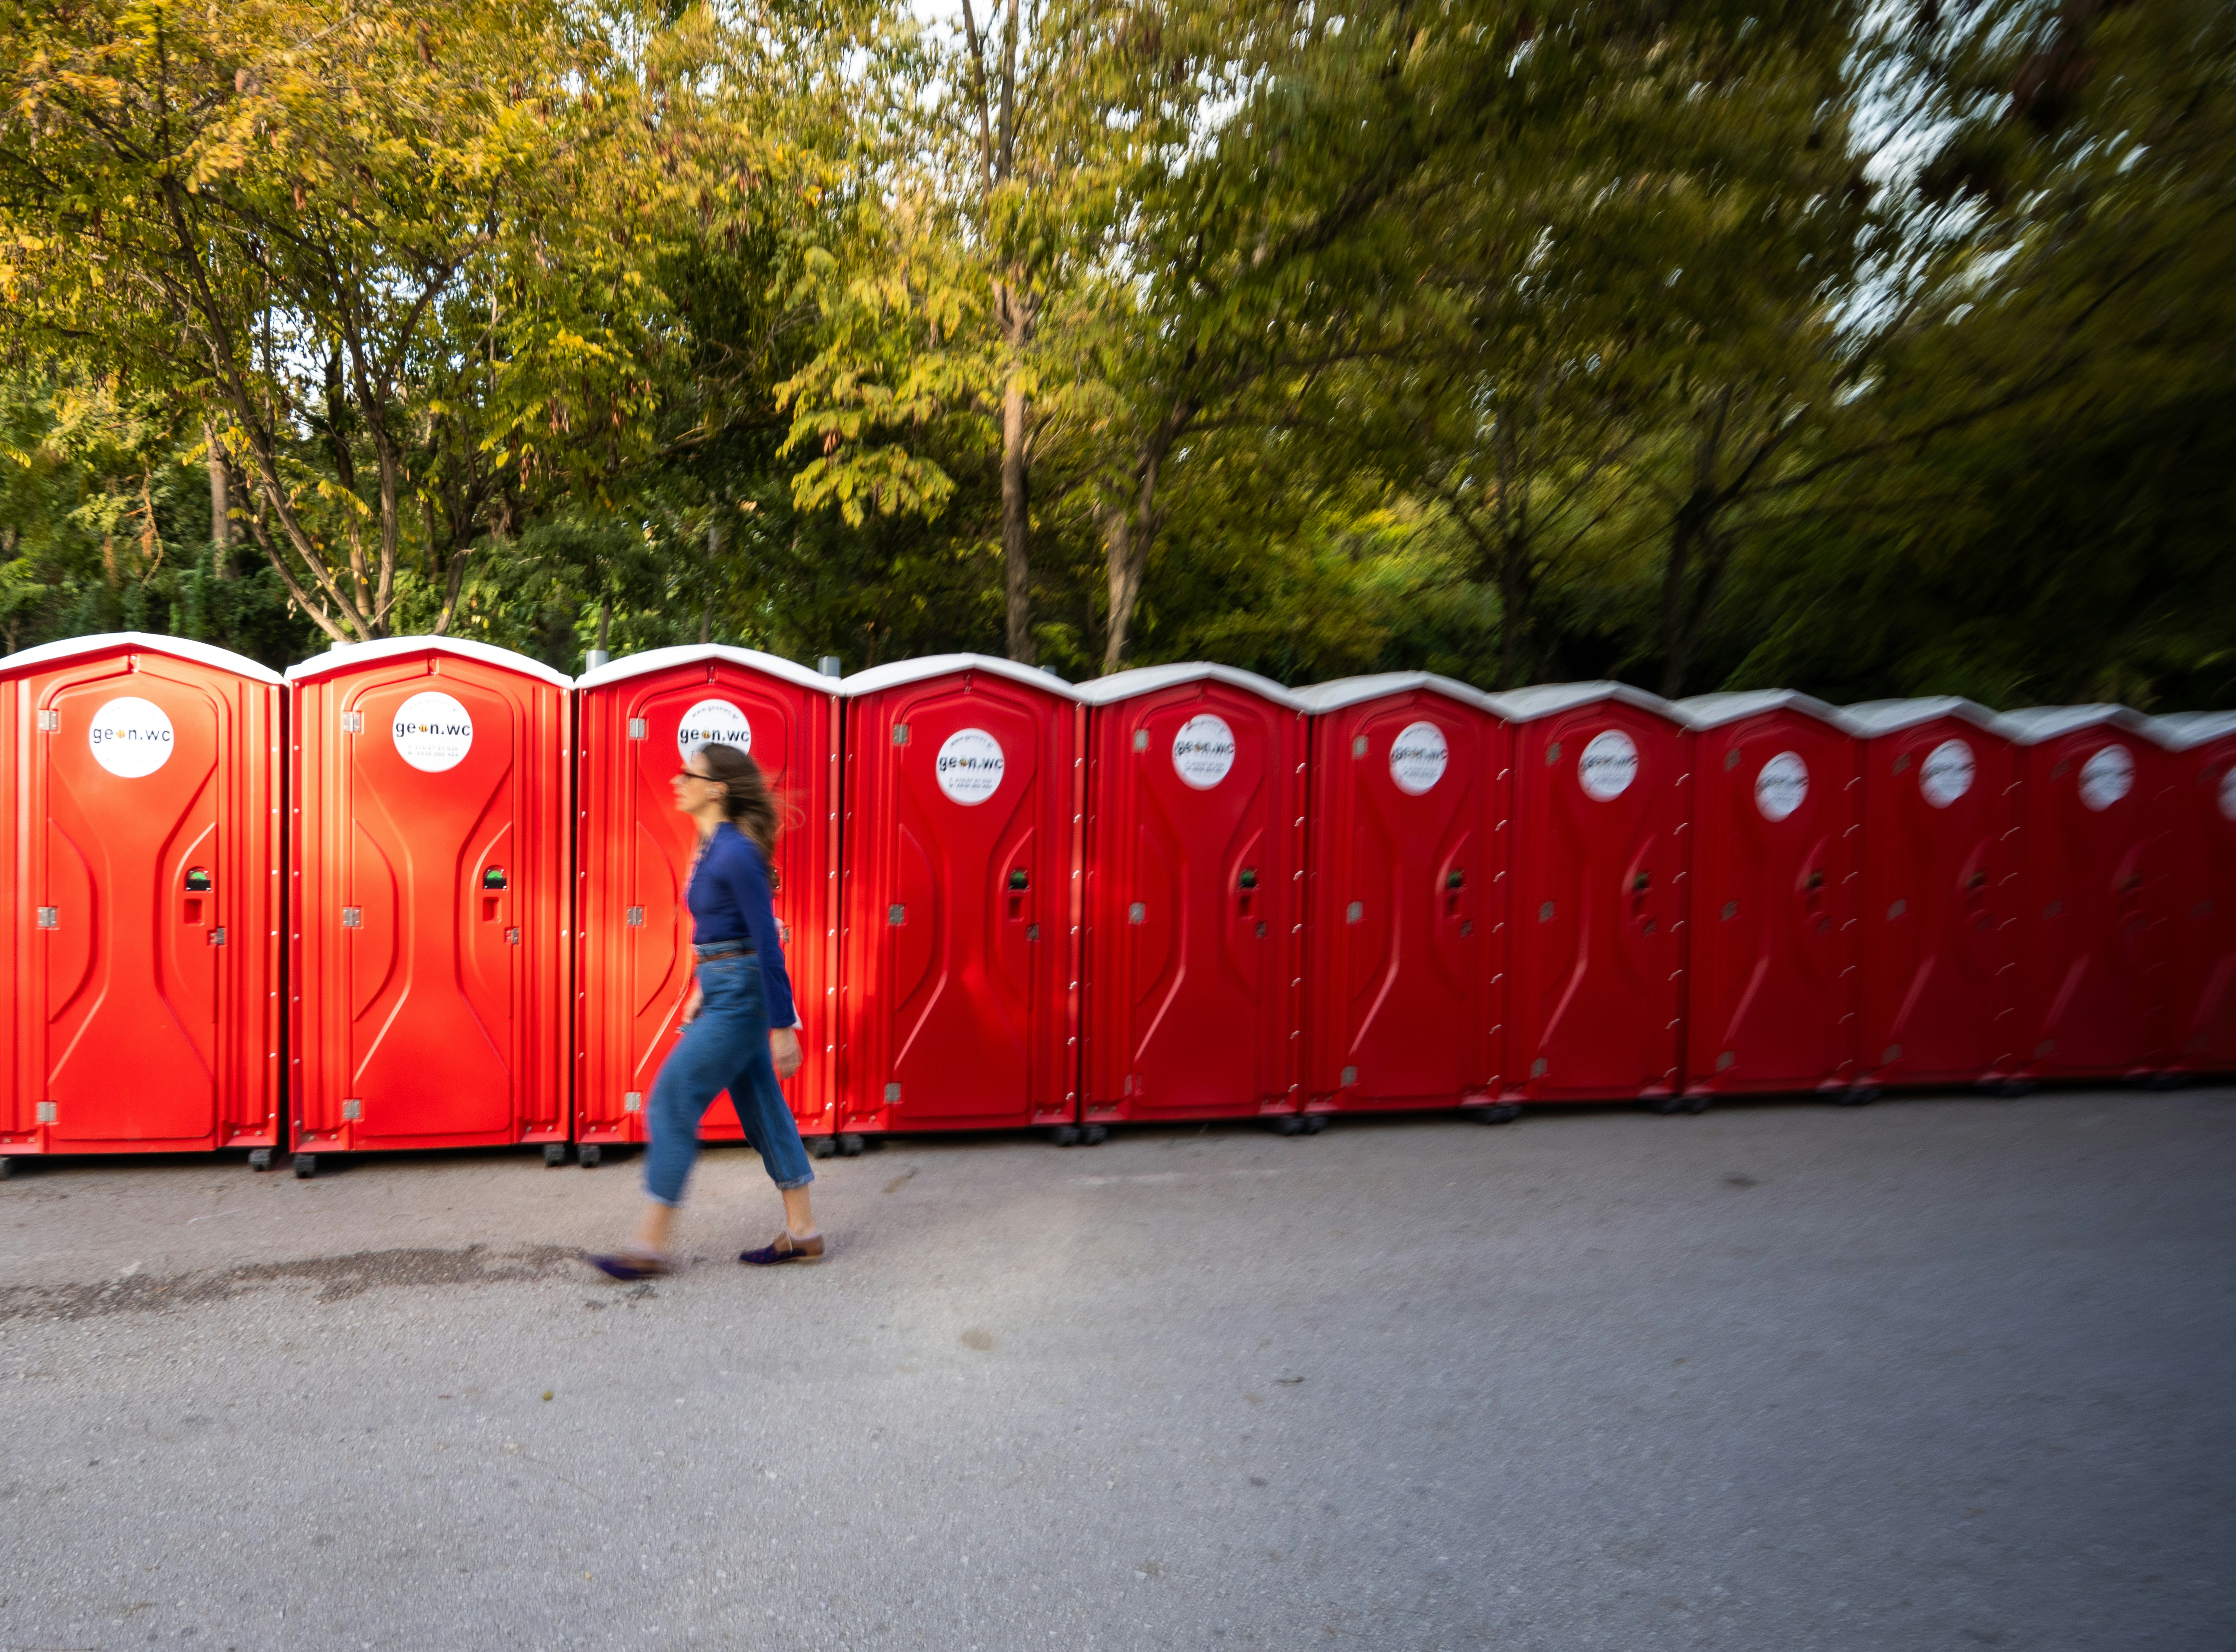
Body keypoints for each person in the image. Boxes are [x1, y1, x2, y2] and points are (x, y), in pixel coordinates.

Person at [586, 742, 823, 1279]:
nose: (677, 781)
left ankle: (648, 1244)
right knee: (764, 1108)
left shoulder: (735, 851)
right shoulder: (713, 845)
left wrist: (784, 1026)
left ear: (716, 789)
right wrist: (700, 984)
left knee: (671, 1099)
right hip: (724, 987)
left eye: (686, 774)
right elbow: (723, 930)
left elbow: (765, 938)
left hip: (741, 995)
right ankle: (803, 1232)